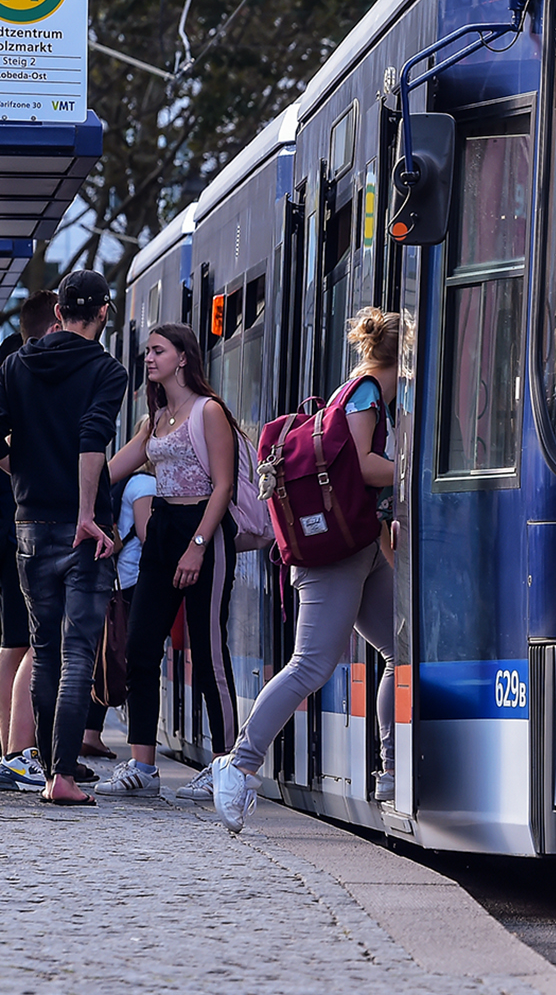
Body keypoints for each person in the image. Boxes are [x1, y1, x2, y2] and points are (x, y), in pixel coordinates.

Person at [213, 308, 400, 832]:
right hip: (333, 554)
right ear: (404, 359)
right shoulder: (365, 394)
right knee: (310, 666)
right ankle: (239, 763)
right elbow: (364, 465)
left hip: (357, 546)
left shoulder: (358, 392)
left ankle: (390, 773)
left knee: (400, 651)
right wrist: (417, 470)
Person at [0, 271, 128, 805]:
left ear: (58, 314)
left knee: (45, 648)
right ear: (101, 314)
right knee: (77, 653)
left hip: (29, 525)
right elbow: (91, 438)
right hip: (83, 528)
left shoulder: (15, 365)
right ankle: (62, 778)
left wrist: (24, 476)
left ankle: (49, 768)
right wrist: (82, 512)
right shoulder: (107, 370)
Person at [98, 325, 240, 800]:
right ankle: (143, 767)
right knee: (139, 647)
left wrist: (198, 545)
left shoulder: (209, 411)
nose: (149, 358)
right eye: (147, 351)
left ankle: (227, 766)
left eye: (158, 351)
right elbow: (109, 471)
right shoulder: (154, 418)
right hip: (161, 529)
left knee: (208, 650)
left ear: (183, 358)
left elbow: (224, 485)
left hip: (203, 529)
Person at [0, 291, 67, 792]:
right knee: (27, 640)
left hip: (15, 519)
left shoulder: (12, 366)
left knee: (18, 640)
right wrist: (30, 477)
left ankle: (15, 751)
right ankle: (18, 752)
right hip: (19, 521)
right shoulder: (21, 372)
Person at [81, 463, 156, 763]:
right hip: (134, 582)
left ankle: (90, 733)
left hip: (116, 582)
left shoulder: (123, 483)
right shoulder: (145, 486)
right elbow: (147, 535)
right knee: (129, 658)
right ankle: (106, 738)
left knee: (107, 654)